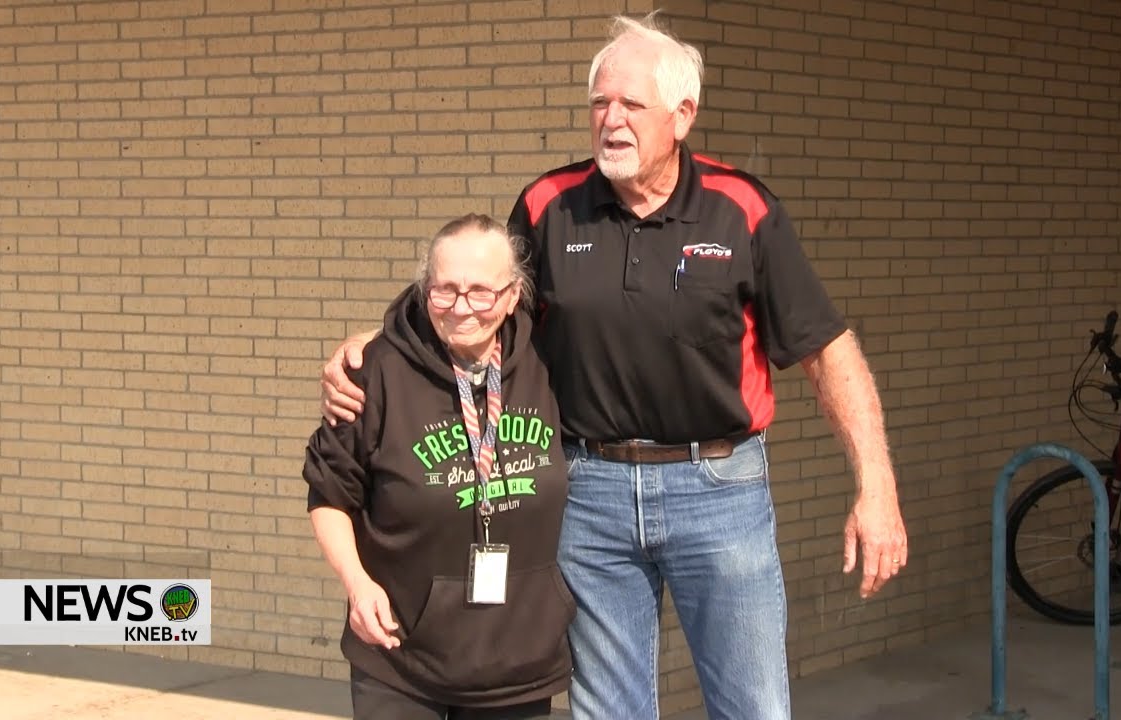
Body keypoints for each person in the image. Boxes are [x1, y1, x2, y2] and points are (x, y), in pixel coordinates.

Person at [320, 14, 908, 720]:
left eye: (631, 104)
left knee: (752, 704)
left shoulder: (741, 210)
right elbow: (479, 293)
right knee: (608, 711)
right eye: (600, 102)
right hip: (589, 491)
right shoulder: (549, 206)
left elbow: (826, 348)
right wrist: (381, 337)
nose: (611, 120)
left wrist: (876, 490)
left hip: (718, 490)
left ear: (682, 115)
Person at [302, 213, 575, 720]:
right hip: (401, 655)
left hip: (516, 659)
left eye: (480, 292)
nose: (461, 308)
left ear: (513, 295)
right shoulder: (376, 372)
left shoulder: (549, 361)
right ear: (425, 289)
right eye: (444, 290)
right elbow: (329, 493)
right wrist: (356, 583)